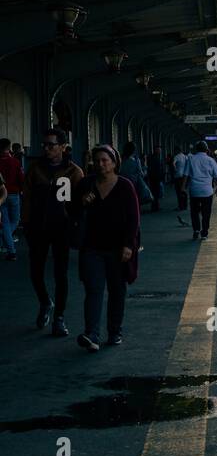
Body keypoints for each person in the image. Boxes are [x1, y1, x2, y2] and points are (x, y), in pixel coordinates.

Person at [76, 144, 140, 351]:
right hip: (92, 247)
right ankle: (92, 334)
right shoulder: (86, 184)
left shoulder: (125, 186)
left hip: (117, 249)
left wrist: (129, 245)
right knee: (93, 290)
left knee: (116, 290)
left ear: (114, 163)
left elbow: (133, 218)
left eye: (105, 160)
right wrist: (81, 202)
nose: (101, 164)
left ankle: (114, 331)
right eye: (97, 160)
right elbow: (70, 209)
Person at [21, 127, 84, 335]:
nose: (46, 149)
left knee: (61, 274)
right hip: (38, 229)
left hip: (61, 230)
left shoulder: (74, 172)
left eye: (51, 145)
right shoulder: (35, 170)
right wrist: (27, 225)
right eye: (44, 145)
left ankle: (59, 317)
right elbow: (27, 200)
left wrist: (75, 227)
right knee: (35, 272)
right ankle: (45, 302)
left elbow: (79, 203)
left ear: (63, 147)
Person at [182, 141, 217, 239]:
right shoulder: (211, 160)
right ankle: (204, 233)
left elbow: (186, 175)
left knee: (194, 212)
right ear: (207, 150)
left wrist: (183, 188)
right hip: (207, 191)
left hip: (194, 190)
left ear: (196, 149)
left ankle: (196, 230)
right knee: (206, 212)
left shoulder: (191, 159)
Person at [0, 137, 24, 259]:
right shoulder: (15, 162)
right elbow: (21, 178)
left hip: (1, 195)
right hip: (14, 194)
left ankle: (10, 249)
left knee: (5, 222)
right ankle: (10, 247)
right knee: (15, 220)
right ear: (9, 148)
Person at [146, 145, 165, 212]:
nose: (160, 151)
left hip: (156, 177)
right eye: (158, 150)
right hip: (154, 178)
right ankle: (154, 207)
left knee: (156, 193)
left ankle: (156, 206)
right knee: (155, 192)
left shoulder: (158, 157)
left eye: (160, 150)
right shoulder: (153, 158)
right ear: (155, 150)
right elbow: (153, 169)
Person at [172, 147, 189, 213]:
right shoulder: (185, 156)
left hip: (178, 176)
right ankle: (185, 205)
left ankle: (180, 206)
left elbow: (173, 163)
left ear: (177, 150)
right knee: (184, 191)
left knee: (178, 192)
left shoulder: (176, 156)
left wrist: (175, 169)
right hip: (184, 176)